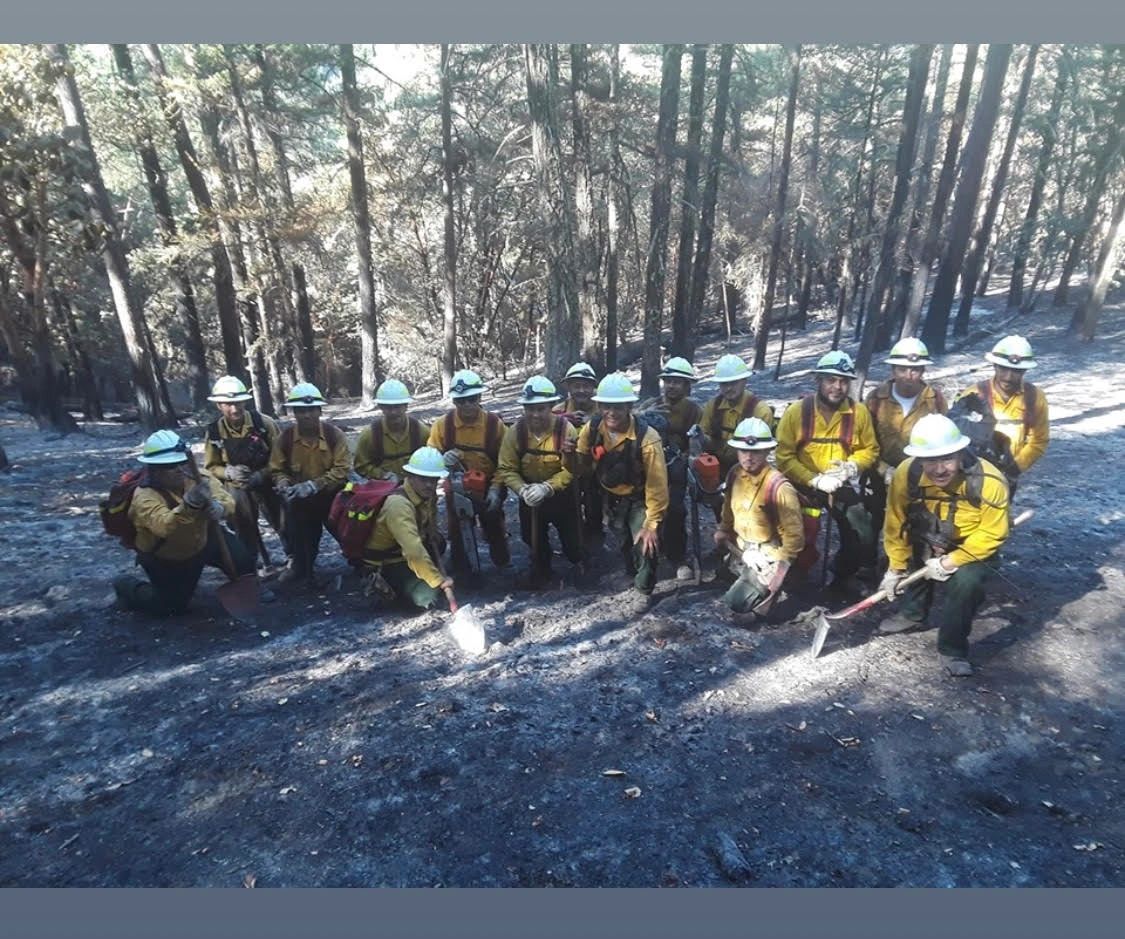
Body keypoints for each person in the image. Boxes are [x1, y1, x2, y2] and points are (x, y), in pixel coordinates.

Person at [880, 414, 1010, 677]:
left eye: (947, 459)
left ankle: (952, 649)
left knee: (967, 583)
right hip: (928, 534)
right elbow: (895, 521)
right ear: (919, 459)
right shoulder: (906, 474)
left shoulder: (990, 481)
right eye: (930, 460)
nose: (939, 469)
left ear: (961, 454)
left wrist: (950, 562)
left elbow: (992, 533)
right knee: (914, 554)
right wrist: (894, 568)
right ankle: (912, 613)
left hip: (972, 546)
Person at [113, 430, 254, 616]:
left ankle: (248, 589)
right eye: (170, 466)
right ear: (155, 469)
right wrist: (190, 504)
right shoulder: (144, 497)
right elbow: (165, 527)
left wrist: (220, 507)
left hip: (205, 539)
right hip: (169, 556)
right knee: (169, 607)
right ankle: (126, 586)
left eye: (181, 463)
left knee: (243, 560)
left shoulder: (198, 477)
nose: (179, 470)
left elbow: (226, 499)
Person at [775, 350, 880, 593]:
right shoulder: (797, 412)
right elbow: (784, 457)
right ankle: (796, 574)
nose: (838, 387)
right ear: (818, 380)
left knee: (861, 530)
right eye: (831, 380)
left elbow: (869, 449)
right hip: (802, 483)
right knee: (801, 530)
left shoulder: (858, 413)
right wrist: (813, 479)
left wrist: (852, 466)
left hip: (839, 483)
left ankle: (842, 573)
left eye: (843, 381)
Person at [575, 373, 670, 598]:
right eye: (606, 406)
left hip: (640, 499)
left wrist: (652, 524)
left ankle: (644, 589)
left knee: (645, 543)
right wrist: (569, 455)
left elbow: (658, 485)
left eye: (618, 407)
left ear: (629, 406)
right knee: (624, 541)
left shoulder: (648, 438)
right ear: (598, 406)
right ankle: (631, 571)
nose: (611, 412)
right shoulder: (594, 427)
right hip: (610, 497)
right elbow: (580, 463)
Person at [862, 338, 947, 564]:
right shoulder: (876, 398)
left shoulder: (935, 400)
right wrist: (882, 469)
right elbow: (864, 439)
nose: (909, 375)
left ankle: (911, 568)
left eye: (916, 369)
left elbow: (942, 440)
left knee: (918, 523)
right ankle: (867, 567)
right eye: (903, 369)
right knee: (873, 520)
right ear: (893, 369)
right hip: (879, 473)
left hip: (920, 476)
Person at [497, 376, 583, 588]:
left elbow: (572, 470)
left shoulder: (565, 430)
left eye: (541, 408)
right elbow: (506, 468)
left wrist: (547, 487)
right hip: (529, 494)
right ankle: (543, 569)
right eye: (530, 408)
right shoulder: (515, 432)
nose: (535, 414)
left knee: (574, 546)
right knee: (532, 539)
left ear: (551, 407)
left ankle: (579, 563)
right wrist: (522, 489)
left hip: (561, 495)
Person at [713, 418, 805, 616]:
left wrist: (778, 565)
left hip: (767, 555)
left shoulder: (779, 487)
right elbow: (728, 509)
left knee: (735, 603)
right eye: (743, 451)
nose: (748, 457)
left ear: (766, 452)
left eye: (755, 452)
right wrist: (723, 529)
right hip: (741, 548)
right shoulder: (733, 474)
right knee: (720, 574)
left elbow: (795, 537)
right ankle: (742, 574)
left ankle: (781, 586)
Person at [427, 368, 510, 572]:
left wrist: (495, 488)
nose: (467, 405)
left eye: (471, 399)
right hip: (456, 484)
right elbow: (428, 458)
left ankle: (501, 557)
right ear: (454, 401)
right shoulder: (442, 425)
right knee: (456, 528)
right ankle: (462, 568)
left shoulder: (494, 425)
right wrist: (441, 460)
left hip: (489, 482)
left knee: (492, 520)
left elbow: (507, 462)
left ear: (479, 397)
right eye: (461, 401)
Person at [268, 382, 351, 585]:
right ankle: (301, 568)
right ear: (294, 413)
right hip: (300, 500)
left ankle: (362, 564)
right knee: (300, 536)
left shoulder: (334, 436)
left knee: (349, 534)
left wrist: (315, 485)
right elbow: (277, 469)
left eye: (311, 410)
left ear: (319, 410)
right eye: (301, 411)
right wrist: (283, 483)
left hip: (333, 496)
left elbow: (342, 470)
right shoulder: (284, 439)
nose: (307, 415)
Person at [202, 375, 283, 570]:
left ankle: (295, 559)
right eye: (228, 404)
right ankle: (249, 566)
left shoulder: (264, 424)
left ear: (245, 401)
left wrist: (261, 475)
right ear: (219, 406)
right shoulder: (214, 432)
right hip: (237, 484)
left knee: (282, 518)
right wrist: (229, 472)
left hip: (268, 477)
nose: (234, 408)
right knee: (242, 521)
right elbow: (211, 467)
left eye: (238, 403)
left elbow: (281, 457)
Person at [952, 335, 1049, 493]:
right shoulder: (973, 394)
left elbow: (1039, 440)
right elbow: (955, 436)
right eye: (1003, 368)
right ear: (994, 366)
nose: (1008, 377)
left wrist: (1014, 469)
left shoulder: (1034, 397)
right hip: (969, 474)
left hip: (1009, 474)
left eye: (1016, 371)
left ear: (1025, 370)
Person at [360, 447, 453, 610]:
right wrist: (439, 581)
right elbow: (414, 552)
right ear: (409, 476)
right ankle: (380, 585)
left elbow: (429, 529)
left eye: (433, 479)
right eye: (423, 479)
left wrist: (432, 539)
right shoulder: (398, 505)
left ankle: (419, 577)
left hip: (404, 550)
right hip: (388, 561)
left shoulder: (427, 495)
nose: (429, 484)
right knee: (428, 597)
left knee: (439, 542)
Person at [637, 357, 703, 580]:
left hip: (676, 468)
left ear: (687, 385)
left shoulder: (693, 410)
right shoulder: (650, 405)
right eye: (669, 381)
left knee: (675, 510)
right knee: (646, 510)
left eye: (678, 381)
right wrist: (643, 416)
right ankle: (648, 555)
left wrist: (687, 459)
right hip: (648, 466)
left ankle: (677, 556)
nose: (672, 386)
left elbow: (697, 440)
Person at [554, 361, 603, 540]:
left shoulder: (603, 408)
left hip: (597, 467)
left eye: (586, 386)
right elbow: (540, 422)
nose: (581, 390)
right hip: (568, 466)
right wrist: (564, 419)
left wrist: (594, 421)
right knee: (569, 507)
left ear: (593, 387)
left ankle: (595, 535)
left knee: (594, 505)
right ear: (568, 387)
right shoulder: (559, 410)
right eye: (576, 386)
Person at [353, 379, 431, 483]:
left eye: (397, 407)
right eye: (388, 408)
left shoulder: (421, 432)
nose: (393, 412)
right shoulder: (369, 435)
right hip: (382, 489)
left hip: (415, 488)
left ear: (406, 406)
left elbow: (430, 464)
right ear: (381, 407)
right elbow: (360, 467)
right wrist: (382, 475)